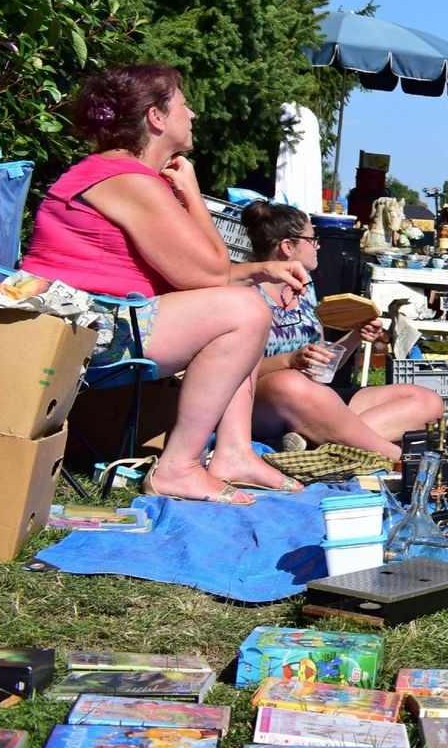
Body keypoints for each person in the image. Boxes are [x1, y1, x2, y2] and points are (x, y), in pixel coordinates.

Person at [18, 64, 308, 504]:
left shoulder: (125, 177)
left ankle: (232, 452)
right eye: (183, 103)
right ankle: (178, 468)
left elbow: (195, 273)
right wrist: (192, 193)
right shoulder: (127, 180)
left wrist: (261, 271)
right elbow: (208, 273)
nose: (192, 114)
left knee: (246, 303)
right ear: (156, 117)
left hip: (95, 317)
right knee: (245, 312)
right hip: (81, 329)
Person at [242, 202, 444, 463]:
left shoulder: (304, 288)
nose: (318, 244)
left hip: (319, 398)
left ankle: (321, 444)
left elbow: (324, 364)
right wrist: (289, 361)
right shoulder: (247, 294)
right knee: (289, 383)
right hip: (264, 402)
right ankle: (397, 457)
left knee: (427, 401)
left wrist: (355, 336)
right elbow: (233, 371)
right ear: (287, 247)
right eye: (312, 238)